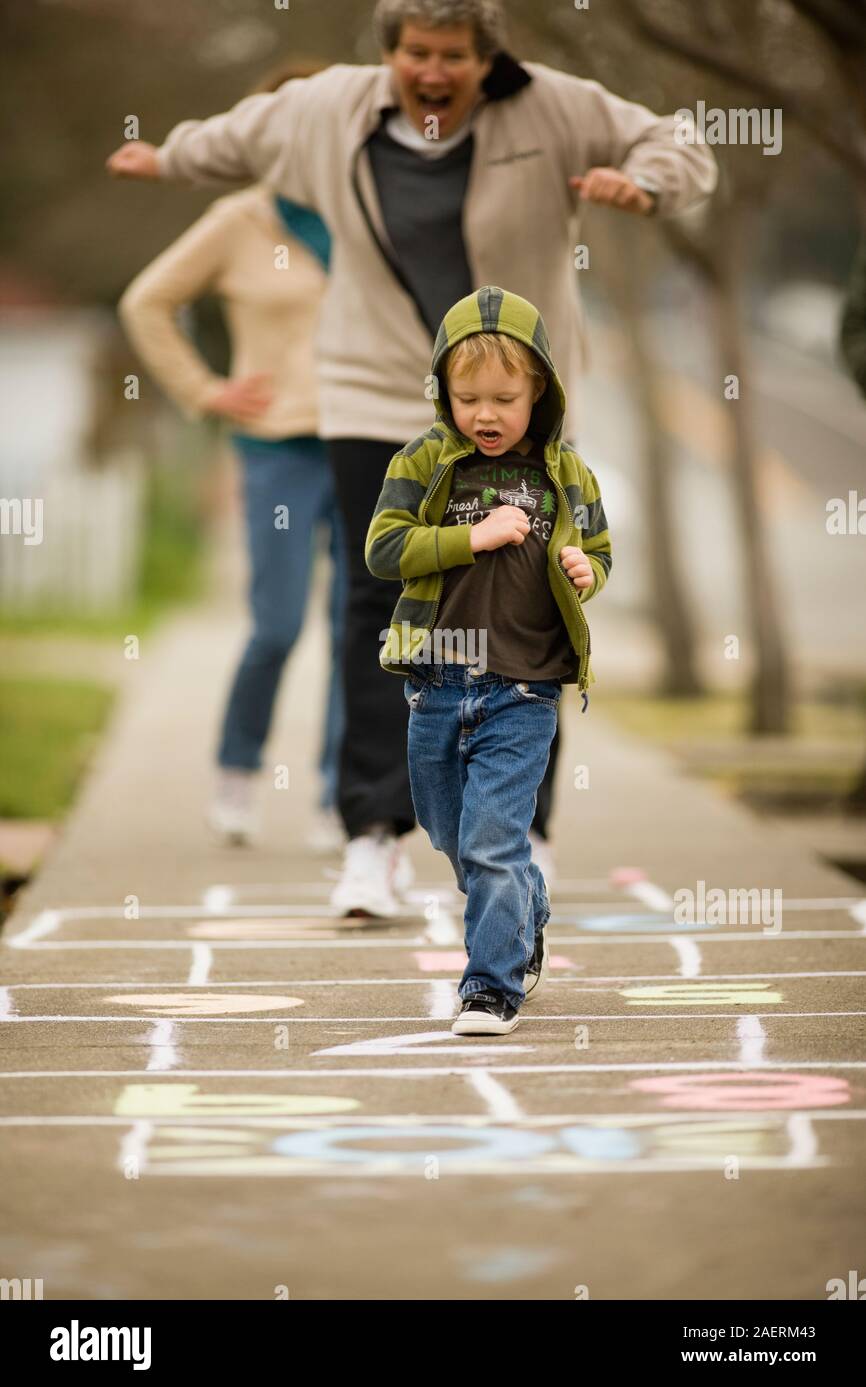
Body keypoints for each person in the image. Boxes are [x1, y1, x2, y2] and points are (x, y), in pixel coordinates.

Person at [106, 0, 715, 916]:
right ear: (389, 54)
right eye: (416, 54)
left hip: (522, 399)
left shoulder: (552, 106)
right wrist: (167, 157)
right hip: (378, 387)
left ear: (486, 59)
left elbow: (675, 139)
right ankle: (372, 837)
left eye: (453, 58)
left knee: (527, 589)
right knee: (379, 595)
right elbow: (239, 136)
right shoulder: (333, 106)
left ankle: (526, 831)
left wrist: (652, 183)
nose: (433, 73)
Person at [366, 284, 611, 1034]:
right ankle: (527, 906)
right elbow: (383, 548)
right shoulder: (424, 461)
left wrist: (584, 571)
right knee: (450, 834)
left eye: (504, 398)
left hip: (525, 690)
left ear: (540, 389)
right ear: (442, 391)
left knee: (492, 839)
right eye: (467, 396)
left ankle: (490, 987)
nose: (485, 414)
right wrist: (468, 538)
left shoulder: (566, 474)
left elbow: (597, 550)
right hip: (437, 680)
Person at [117, 64, 347, 853]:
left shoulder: (372, 213)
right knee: (278, 624)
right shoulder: (237, 220)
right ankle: (238, 768)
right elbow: (146, 301)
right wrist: (204, 389)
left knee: (361, 630)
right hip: (276, 450)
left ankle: (337, 794)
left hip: (372, 447)